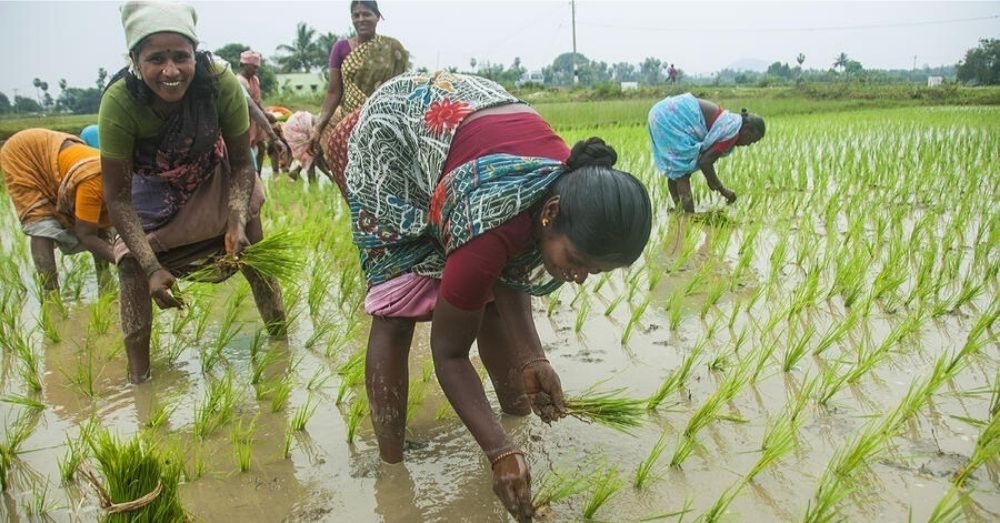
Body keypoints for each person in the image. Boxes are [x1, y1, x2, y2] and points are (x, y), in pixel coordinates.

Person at [329, 71, 652, 521]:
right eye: (578, 261)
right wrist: (499, 451)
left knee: (489, 294)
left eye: (592, 272)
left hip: (461, 139)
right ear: (551, 214)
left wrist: (534, 359)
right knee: (396, 310)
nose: (577, 277)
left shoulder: (567, 184)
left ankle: (512, 413)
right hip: (396, 138)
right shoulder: (495, 219)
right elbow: (449, 354)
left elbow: (512, 271)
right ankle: (391, 466)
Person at [99, 1, 286, 383]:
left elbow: (240, 163)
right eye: (156, 59)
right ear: (136, 59)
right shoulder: (119, 101)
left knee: (255, 249)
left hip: (213, 180)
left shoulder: (218, 84)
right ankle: (141, 383)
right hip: (152, 196)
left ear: (195, 56)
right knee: (131, 268)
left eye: (181, 57)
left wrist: (234, 221)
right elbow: (117, 197)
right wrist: (152, 267)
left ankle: (282, 346)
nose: (171, 71)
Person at [0, 128, 114, 292]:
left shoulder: (127, 180)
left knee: (102, 223)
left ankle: (105, 283)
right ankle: (50, 291)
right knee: (42, 224)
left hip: (57, 150)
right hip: (24, 155)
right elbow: (85, 233)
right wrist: (124, 259)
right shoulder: (93, 183)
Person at [308, 0, 408, 159]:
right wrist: (318, 128)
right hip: (352, 124)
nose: (361, 19)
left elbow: (402, 90)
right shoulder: (340, 48)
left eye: (366, 14)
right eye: (356, 15)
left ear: (377, 16)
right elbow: (334, 92)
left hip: (386, 124)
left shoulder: (393, 48)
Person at [647, 93, 765, 213]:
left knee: (676, 170)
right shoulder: (732, 132)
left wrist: (712, 181)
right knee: (682, 172)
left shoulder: (730, 122)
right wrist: (723, 189)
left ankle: (679, 211)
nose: (748, 144)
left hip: (660, 112)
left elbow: (705, 160)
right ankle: (688, 216)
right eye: (751, 140)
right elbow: (705, 162)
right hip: (670, 116)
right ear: (746, 130)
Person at [235, 49, 275, 175]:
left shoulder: (255, 80)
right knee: (249, 147)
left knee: (261, 146)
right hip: (246, 120)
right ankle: (251, 175)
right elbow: (249, 106)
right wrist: (263, 114)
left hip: (256, 119)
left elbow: (257, 103)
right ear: (246, 65)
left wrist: (265, 113)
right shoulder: (240, 81)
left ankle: (258, 174)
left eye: (257, 68)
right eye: (254, 67)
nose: (256, 70)